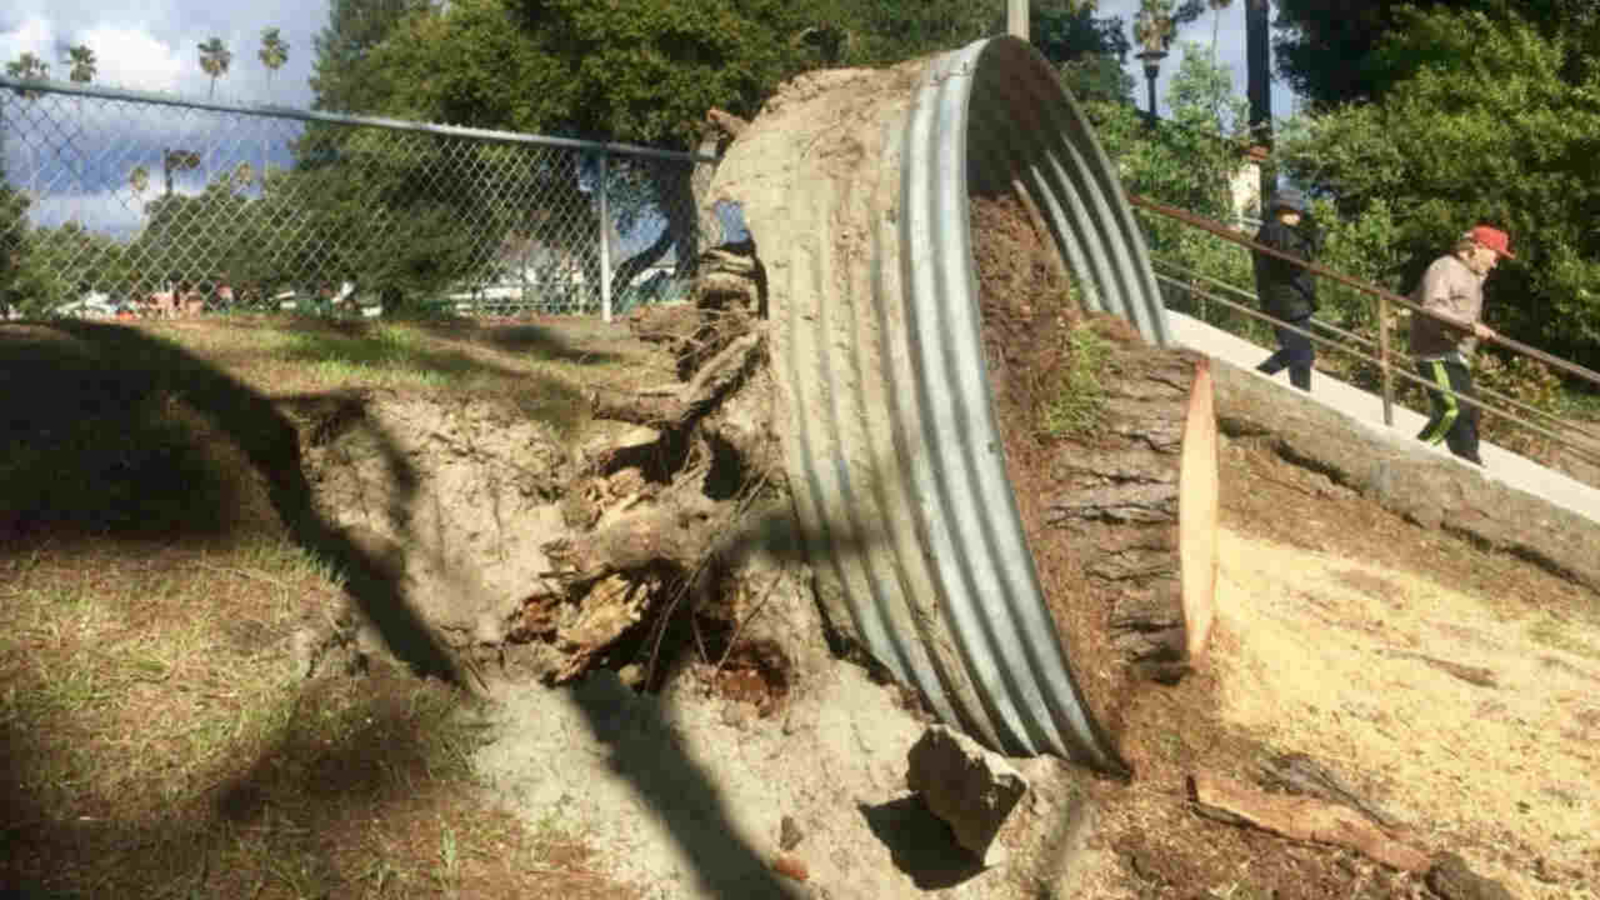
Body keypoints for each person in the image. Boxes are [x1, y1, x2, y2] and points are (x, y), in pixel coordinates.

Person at [1408, 225, 1513, 467]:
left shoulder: (1471, 275)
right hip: (1434, 352)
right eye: (1495, 256)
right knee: (1454, 409)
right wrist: (1470, 325)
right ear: (1478, 248)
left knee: (1471, 411)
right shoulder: (1445, 267)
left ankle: (1470, 464)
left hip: (1453, 354)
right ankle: (1414, 455)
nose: (1496, 264)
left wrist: (1473, 326)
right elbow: (1432, 308)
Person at [1251, 188, 1320, 392]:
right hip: (1287, 302)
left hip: (1287, 301)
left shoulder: (1273, 231)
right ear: (1285, 210)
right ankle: (1260, 377)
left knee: (1301, 353)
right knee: (1301, 354)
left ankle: (1265, 379)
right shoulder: (1278, 231)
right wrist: (1313, 241)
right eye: (1296, 211)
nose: (1299, 216)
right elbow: (1295, 262)